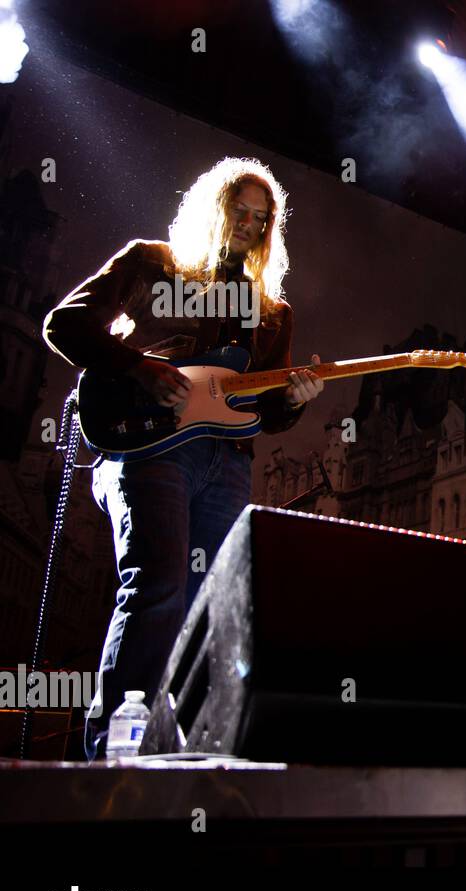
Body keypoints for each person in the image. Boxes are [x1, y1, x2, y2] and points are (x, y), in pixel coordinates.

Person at [42, 157, 325, 760]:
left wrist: (294, 400)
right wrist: (137, 366)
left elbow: (265, 411)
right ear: (213, 207)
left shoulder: (272, 313)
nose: (249, 224)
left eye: (261, 218)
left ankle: (174, 752)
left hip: (227, 462)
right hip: (147, 446)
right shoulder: (151, 263)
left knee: (204, 608)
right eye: (239, 210)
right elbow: (64, 324)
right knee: (160, 581)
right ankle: (116, 748)